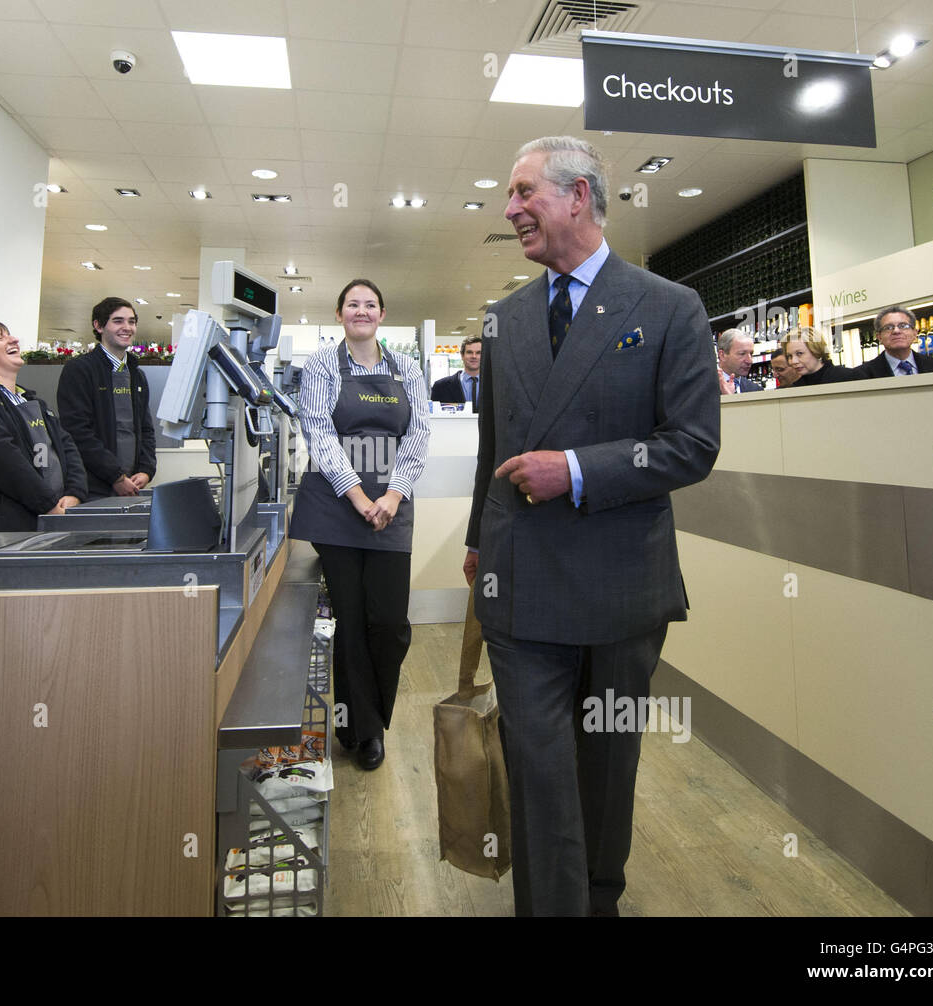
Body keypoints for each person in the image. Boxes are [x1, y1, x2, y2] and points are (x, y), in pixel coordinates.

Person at [463, 136, 720, 917]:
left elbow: (692, 445)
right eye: (509, 195)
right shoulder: (503, 318)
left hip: (620, 592)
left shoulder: (670, 307)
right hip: (522, 592)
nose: (509, 209)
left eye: (523, 191)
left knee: (606, 767)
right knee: (540, 774)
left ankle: (599, 898)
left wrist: (573, 471)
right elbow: (494, 448)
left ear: (579, 196)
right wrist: (479, 539)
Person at [288, 279, 430, 771]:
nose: (362, 311)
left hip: (391, 509)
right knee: (348, 622)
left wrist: (391, 496)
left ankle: (371, 716)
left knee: (388, 624)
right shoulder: (323, 365)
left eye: (370, 304)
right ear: (339, 313)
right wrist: (358, 495)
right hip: (336, 509)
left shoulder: (407, 369)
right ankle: (361, 729)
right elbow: (320, 433)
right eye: (353, 304)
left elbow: (418, 435)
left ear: (383, 315)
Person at [0, 320, 87, 531]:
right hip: (9, 527)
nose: (14, 339)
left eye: (10, 334)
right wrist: (48, 504)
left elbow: (67, 446)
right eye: (0, 337)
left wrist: (75, 493)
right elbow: (2, 458)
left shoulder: (32, 400)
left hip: (54, 516)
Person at [56, 297, 157, 499]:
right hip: (93, 487)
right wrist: (116, 477)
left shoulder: (137, 375)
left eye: (132, 321)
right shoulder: (80, 370)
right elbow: (77, 431)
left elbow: (146, 429)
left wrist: (146, 470)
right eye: (118, 321)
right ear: (98, 325)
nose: (127, 327)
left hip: (132, 486)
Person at [851, 306, 933, 378]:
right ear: (879, 337)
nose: (896, 331)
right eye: (888, 327)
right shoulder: (862, 375)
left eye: (903, 326)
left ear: (915, 333)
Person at [782, 327, 857, 386]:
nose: (793, 361)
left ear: (816, 351)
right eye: (789, 356)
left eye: (799, 353)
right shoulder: (796, 387)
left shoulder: (847, 377)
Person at [430, 335, 483, 407]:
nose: (474, 356)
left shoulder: (494, 386)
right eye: (469, 352)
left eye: (478, 353)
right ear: (462, 355)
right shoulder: (440, 386)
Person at [716, 328, 761, 393]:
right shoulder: (702, 386)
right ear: (722, 355)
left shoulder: (756, 390)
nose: (749, 361)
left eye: (751, 354)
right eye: (742, 354)